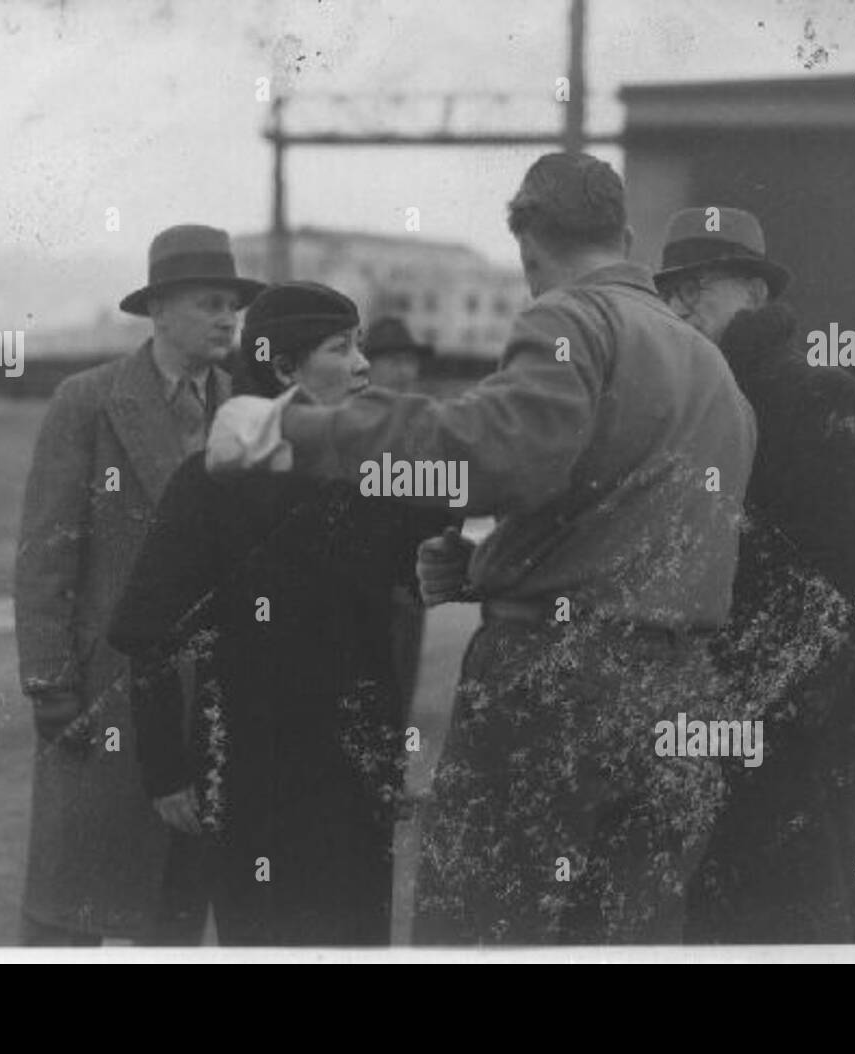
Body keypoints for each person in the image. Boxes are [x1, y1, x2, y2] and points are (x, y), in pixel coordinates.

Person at [206, 152, 757, 944]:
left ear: (527, 240)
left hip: (556, 687)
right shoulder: (708, 362)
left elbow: (493, 454)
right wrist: (499, 566)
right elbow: (632, 507)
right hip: (678, 695)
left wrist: (291, 429)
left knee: (479, 932)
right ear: (626, 235)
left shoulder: (572, 319)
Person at [107, 282, 449, 945]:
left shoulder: (372, 474)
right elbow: (145, 628)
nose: (361, 365)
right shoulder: (208, 481)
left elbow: (454, 515)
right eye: (339, 347)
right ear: (284, 367)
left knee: (355, 938)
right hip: (252, 775)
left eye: (360, 346)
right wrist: (166, 769)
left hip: (355, 769)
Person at [650, 207, 855, 943]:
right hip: (705, 709)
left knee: (804, 899)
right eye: (674, 289)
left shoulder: (820, 394)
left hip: (793, 720)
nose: (683, 303)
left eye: (704, 284)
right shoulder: (685, 401)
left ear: (756, 293)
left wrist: (807, 701)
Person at [13, 225, 264, 944]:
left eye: (233, 306)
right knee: (74, 906)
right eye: (209, 303)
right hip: (104, 693)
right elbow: (45, 555)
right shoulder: (86, 403)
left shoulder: (247, 413)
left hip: (202, 707)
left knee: (173, 913)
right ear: (158, 311)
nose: (227, 319)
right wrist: (51, 682)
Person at [363, 316, 438, 717]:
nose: (404, 371)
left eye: (409, 361)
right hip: (353, 592)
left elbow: (446, 505)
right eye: (392, 361)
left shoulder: (426, 428)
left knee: (396, 696)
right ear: (368, 366)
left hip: (406, 593)